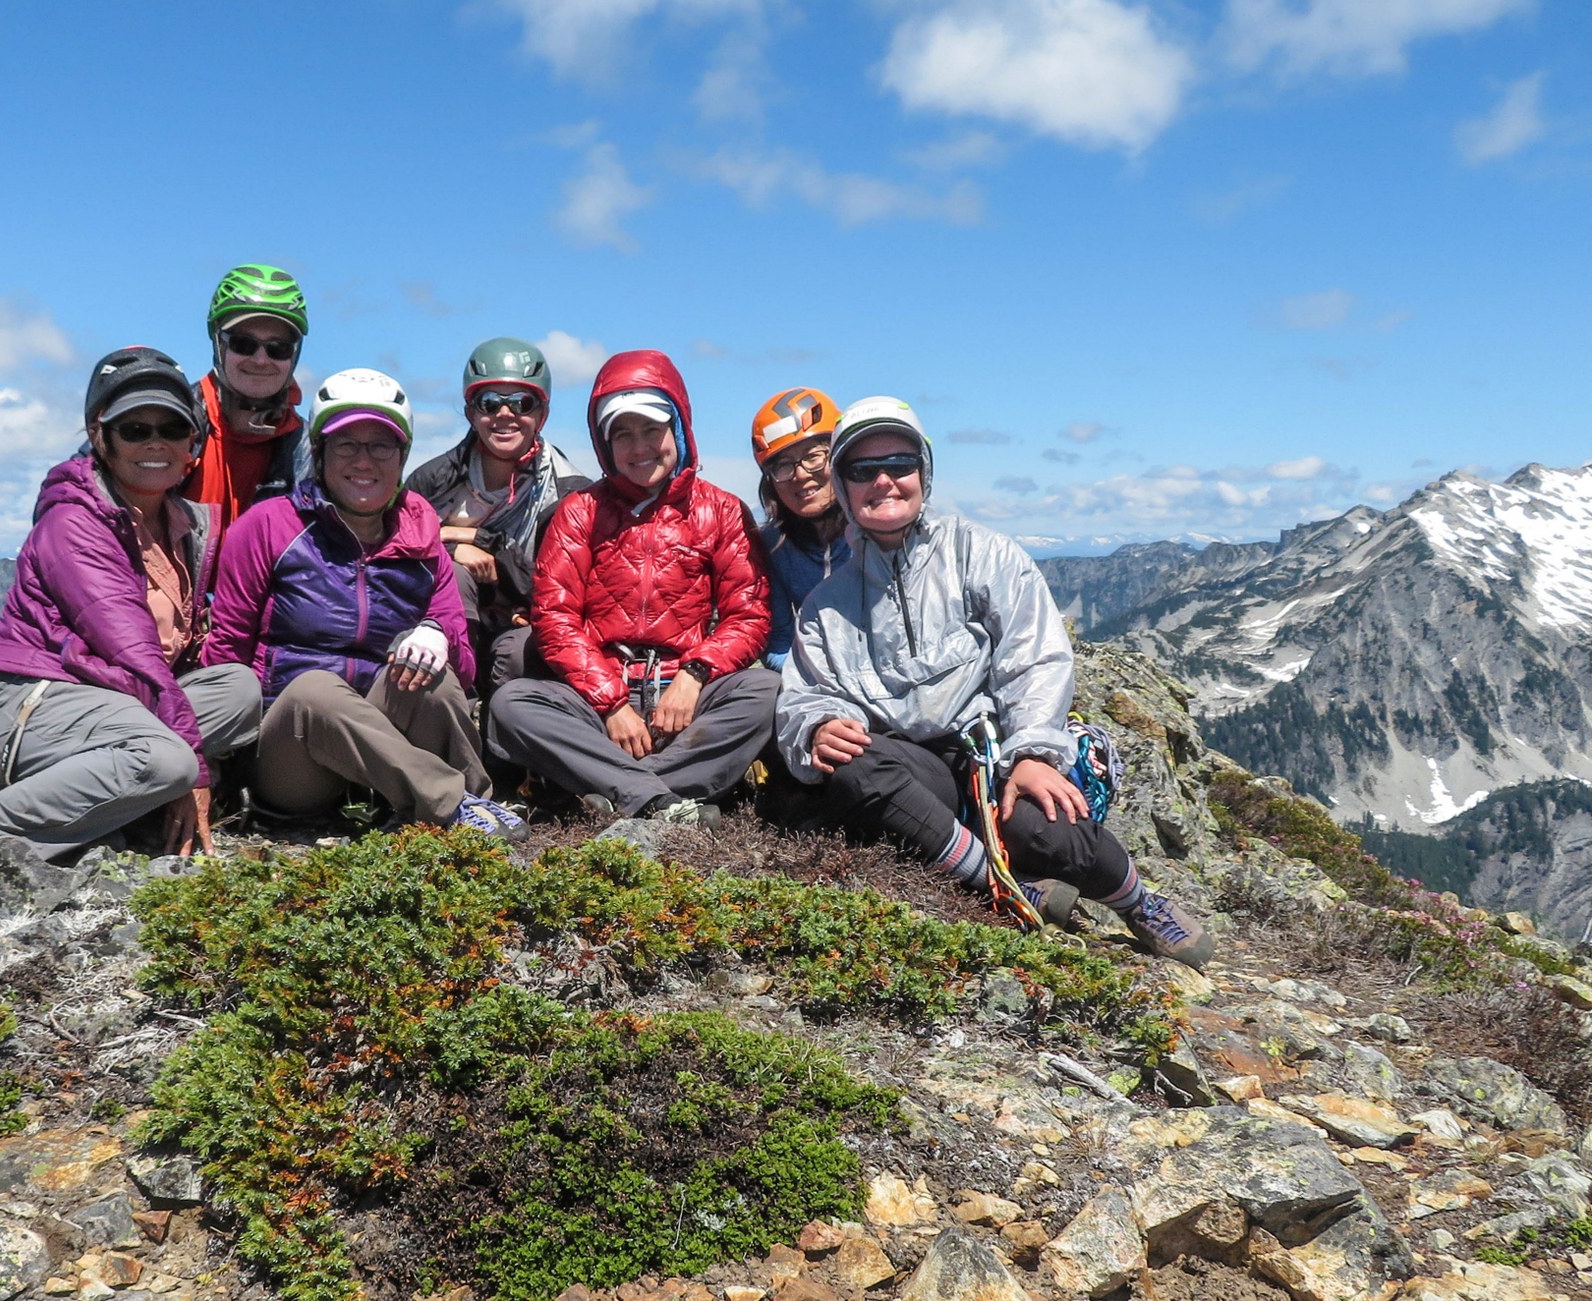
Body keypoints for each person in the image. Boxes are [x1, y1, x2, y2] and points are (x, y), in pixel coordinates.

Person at [774, 397, 1212, 968]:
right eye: (860, 470)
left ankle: (1138, 902)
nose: (882, 481)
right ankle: (998, 884)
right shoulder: (826, 605)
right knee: (853, 767)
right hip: (911, 767)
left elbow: (1034, 657)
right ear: (843, 485)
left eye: (900, 464)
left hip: (993, 752)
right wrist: (815, 727)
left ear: (923, 474)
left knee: (1048, 829)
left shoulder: (981, 553)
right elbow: (804, 693)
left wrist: (1031, 751)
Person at [0, 347, 263, 861]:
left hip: (114, 700)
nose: (155, 443)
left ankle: (102, 796)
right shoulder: (74, 523)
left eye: (171, 429)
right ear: (98, 435)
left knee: (239, 690)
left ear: (192, 443)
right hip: (37, 700)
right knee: (165, 760)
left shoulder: (185, 525)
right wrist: (195, 770)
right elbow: (135, 657)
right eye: (134, 429)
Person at [201, 368, 526, 839]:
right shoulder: (268, 526)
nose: (365, 460)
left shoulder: (421, 537)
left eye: (381, 446)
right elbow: (226, 652)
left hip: (383, 751)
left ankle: (472, 807)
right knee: (315, 690)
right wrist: (207, 764)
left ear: (402, 456)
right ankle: (449, 804)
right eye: (347, 444)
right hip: (290, 754)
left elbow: (465, 668)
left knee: (432, 678)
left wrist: (436, 634)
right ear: (320, 451)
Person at [487, 350, 776, 824]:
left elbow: (749, 614)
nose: (639, 447)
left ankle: (612, 789)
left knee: (764, 691)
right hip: (601, 695)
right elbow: (555, 618)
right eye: (622, 433)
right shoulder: (579, 511)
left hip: (685, 698)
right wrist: (611, 703)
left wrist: (694, 676)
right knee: (513, 702)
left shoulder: (723, 510)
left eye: (651, 430)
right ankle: (664, 798)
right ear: (604, 443)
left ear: (679, 429)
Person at [405, 336, 592, 691]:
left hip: (527, 619)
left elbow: (549, 582)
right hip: (444, 619)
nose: (505, 415)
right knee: (456, 574)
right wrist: (452, 549)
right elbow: (396, 547)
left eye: (522, 403)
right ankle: (457, 703)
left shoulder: (570, 491)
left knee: (522, 654)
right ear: (471, 412)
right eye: (489, 403)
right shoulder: (430, 482)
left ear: (542, 414)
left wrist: (477, 538)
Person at [183, 263, 310, 527]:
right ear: (218, 343)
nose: (261, 360)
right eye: (244, 344)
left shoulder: (314, 450)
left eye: (278, 348)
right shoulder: (167, 424)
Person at [750, 387, 850, 672]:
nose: (801, 474)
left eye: (814, 456)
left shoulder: (877, 534)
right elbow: (779, 644)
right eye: (782, 465)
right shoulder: (771, 546)